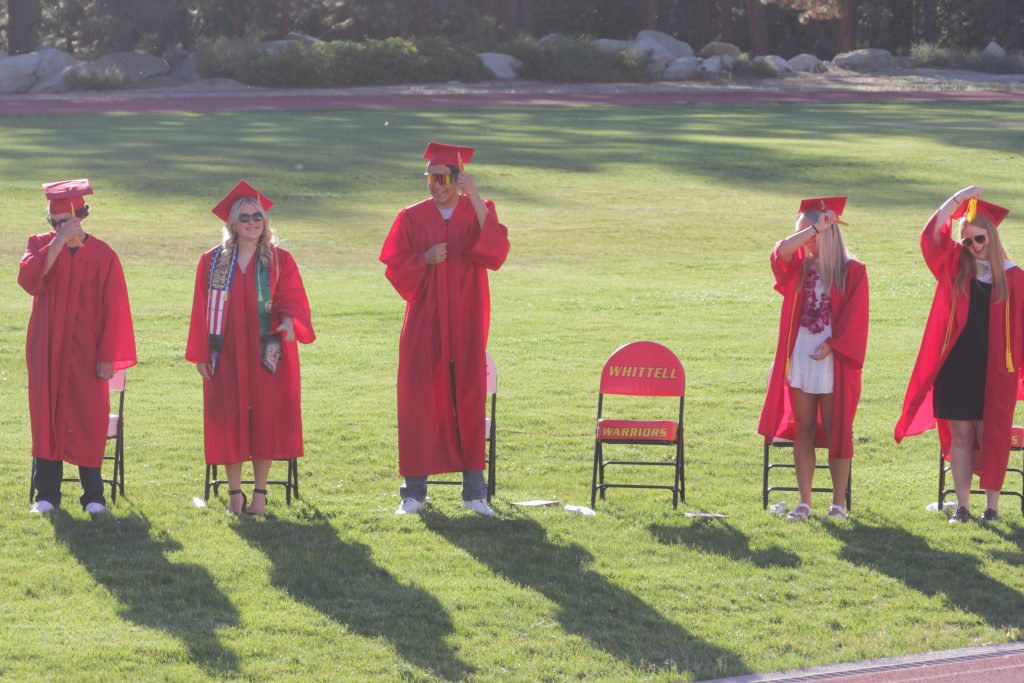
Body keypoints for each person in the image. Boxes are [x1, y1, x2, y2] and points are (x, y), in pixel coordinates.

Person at [380, 142, 510, 516]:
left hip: (467, 316)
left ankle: (474, 492)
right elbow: (394, 267)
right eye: (430, 178)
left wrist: (476, 196)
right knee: (418, 398)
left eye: (443, 179)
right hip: (424, 320)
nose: (436, 186)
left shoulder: (476, 211)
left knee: (468, 397)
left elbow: (497, 252)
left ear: (458, 179)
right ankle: (414, 493)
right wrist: (424, 259)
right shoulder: (412, 217)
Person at [186, 181, 315, 515]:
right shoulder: (211, 262)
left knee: (265, 419)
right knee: (227, 419)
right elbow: (200, 310)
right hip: (225, 354)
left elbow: (291, 299)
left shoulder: (279, 260)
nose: (253, 222)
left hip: (267, 355)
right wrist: (201, 353)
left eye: (258, 216)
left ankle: (259, 493)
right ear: (233, 224)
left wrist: (288, 321)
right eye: (245, 218)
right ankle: (234, 493)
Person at [895, 187, 1022, 523]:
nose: (973, 247)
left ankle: (991, 509)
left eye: (978, 239)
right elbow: (931, 237)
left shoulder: (1014, 277)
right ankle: (963, 507)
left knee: (991, 435)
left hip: (996, 369)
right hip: (956, 367)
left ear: (992, 237)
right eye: (966, 241)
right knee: (962, 437)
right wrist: (957, 201)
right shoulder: (955, 267)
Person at [20, 179, 136, 514]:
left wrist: (107, 356)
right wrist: (57, 242)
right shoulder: (39, 245)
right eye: (56, 223)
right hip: (47, 348)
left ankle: (94, 496)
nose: (61, 228)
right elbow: (29, 281)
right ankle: (47, 494)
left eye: (67, 222)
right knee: (47, 414)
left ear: (82, 216)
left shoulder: (103, 256)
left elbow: (115, 311)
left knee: (88, 416)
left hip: (88, 351)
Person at [758, 197, 869, 520]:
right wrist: (810, 229)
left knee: (837, 429)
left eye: (811, 236)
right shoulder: (797, 269)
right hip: (802, 358)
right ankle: (805, 501)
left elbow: (857, 318)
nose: (805, 242)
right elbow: (780, 252)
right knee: (803, 429)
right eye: (801, 236)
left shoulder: (853, 271)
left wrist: (834, 345)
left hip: (836, 360)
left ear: (828, 234)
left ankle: (838, 503)